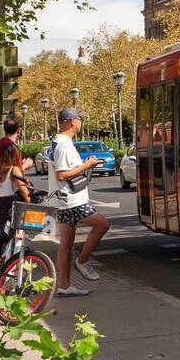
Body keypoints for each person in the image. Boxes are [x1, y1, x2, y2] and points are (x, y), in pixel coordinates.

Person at [48, 107, 110, 297]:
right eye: (80, 119)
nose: (81, 123)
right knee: (102, 225)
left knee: (66, 243)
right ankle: (82, 261)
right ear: (72, 121)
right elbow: (62, 174)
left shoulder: (58, 142)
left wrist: (85, 164)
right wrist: (86, 165)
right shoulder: (64, 144)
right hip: (71, 199)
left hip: (62, 199)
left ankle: (65, 286)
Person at [0, 140, 31, 264]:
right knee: (17, 235)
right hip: (15, 204)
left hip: (3, 204)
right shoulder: (14, 169)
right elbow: (22, 188)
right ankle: (14, 264)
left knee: (3, 236)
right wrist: (30, 201)